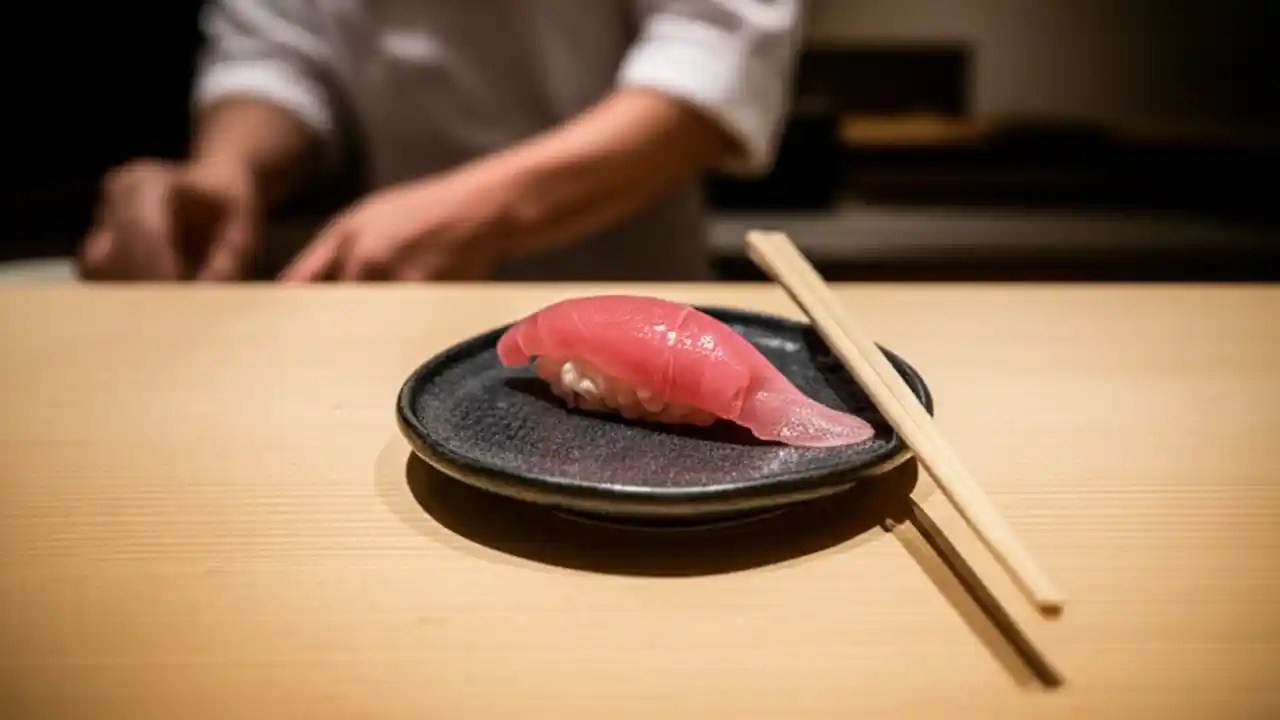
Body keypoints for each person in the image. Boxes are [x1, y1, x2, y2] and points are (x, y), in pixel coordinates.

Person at [78, 0, 804, 282]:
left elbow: (716, 60)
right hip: (384, 307)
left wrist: (475, 210)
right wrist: (226, 168)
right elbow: (276, 50)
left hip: (632, 281)